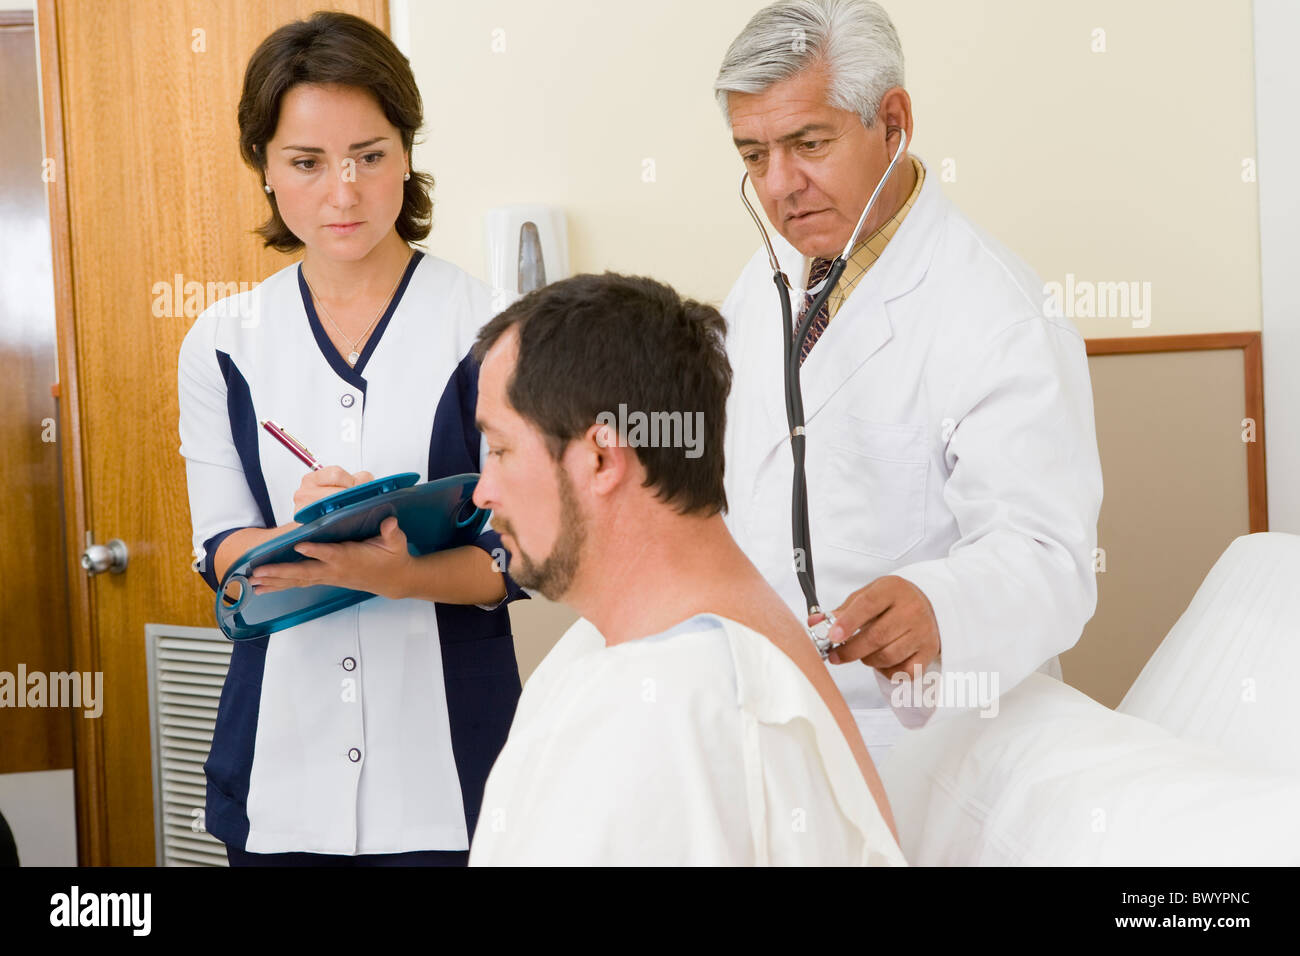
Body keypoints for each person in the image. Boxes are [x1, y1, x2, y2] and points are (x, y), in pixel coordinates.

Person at [177, 11, 526, 866]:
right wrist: (313, 537)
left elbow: (521, 558)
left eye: (370, 156)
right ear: (264, 166)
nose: (343, 190)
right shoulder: (223, 341)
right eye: (306, 162)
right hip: (280, 770)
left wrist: (398, 574)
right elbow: (223, 554)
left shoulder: (491, 329)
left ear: (407, 153)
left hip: (452, 776)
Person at [714, 0, 1103, 762]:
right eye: (753, 155)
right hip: (769, 715)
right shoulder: (764, 281)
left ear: (891, 122)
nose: (780, 185)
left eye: (808, 143)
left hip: (922, 736)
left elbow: (1050, 558)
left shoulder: (1002, 316)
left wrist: (941, 605)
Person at [465, 272, 906, 866]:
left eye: (499, 449)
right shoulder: (729, 633)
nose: (482, 492)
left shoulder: (666, 708)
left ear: (600, 457)